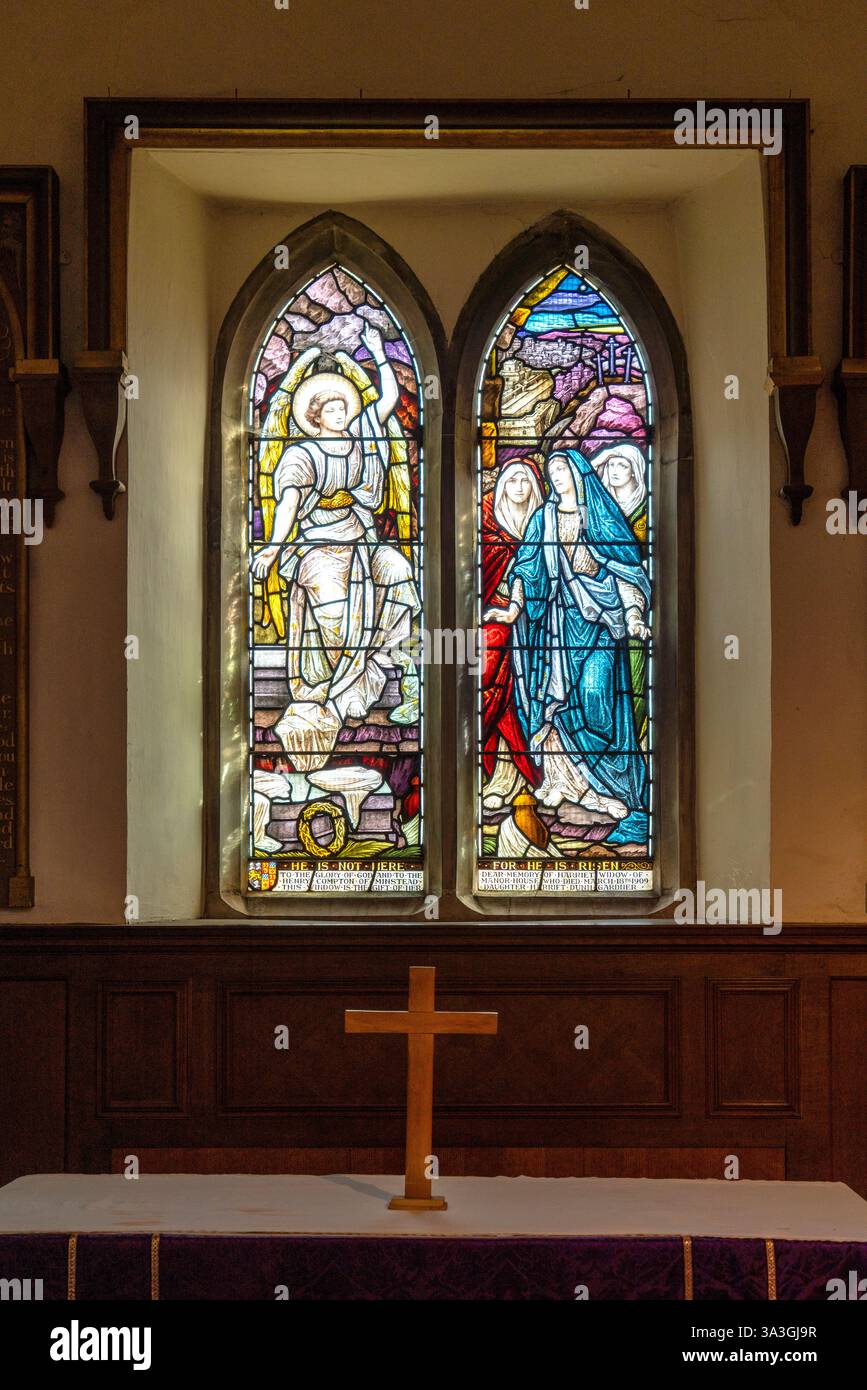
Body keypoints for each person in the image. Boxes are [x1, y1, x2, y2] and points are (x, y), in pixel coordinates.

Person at [251, 325, 420, 769]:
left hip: (361, 538)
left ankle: (396, 664)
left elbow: (385, 400)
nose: (342, 411)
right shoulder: (301, 455)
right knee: (332, 609)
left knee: (399, 571)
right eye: (332, 407)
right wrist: (271, 547)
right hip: (316, 547)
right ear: (316, 415)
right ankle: (338, 686)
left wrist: (380, 352)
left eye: (344, 405)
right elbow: (287, 504)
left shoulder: (363, 435)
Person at [485, 449, 650, 845]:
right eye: (552, 472)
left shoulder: (601, 517)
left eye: (563, 470)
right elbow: (526, 567)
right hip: (555, 626)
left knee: (596, 697)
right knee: (553, 705)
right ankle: (567, 784)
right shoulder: (543, 518)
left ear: (579, 475)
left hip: (599, 623)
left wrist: (633, 615)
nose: (556, 477)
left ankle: (614, 790)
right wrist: (513, 610)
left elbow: (626, 570)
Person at [480, 459, 544, 810]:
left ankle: (523, 776)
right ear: (502, 486)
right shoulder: (489, 531)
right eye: (512, 479)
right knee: (490, 675)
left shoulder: (545, 527)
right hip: (495, 618)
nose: (519, 486)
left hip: (541, 621)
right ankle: (498, 770)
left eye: (526, 480)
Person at [591, 443, 649, 741]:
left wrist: (635, 613)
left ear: (635, 471)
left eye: (621, 466)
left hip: (637, 612)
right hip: (599, 610)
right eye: (610, 466)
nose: (614, 472)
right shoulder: (599, 514)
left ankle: (633, 744)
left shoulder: (646, 510)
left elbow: (637, 567)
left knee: (635, 684)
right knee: (599, 687)